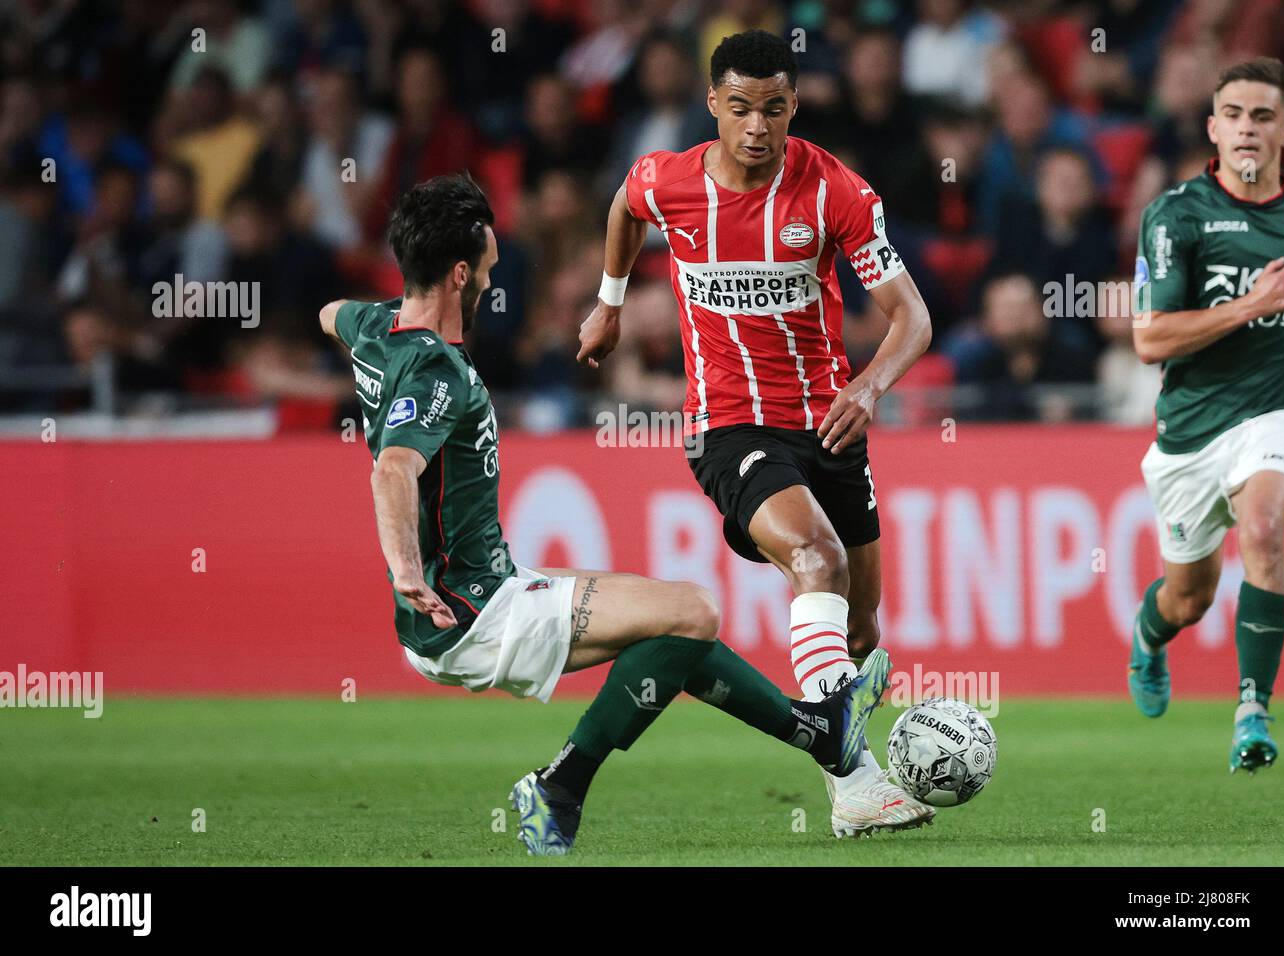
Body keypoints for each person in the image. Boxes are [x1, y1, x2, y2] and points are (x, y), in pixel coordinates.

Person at [320, 173, 892, 855]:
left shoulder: (375, 329)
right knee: (694, 609)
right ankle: (560, 785)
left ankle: (817, 730)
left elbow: (330, 313)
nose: (491, 287)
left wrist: (379, 340)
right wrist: (405, 570)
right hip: (467, 612)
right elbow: (393, 470)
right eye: (489, 272)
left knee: (672, 631)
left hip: (478, 592)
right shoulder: (436, 372)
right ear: (460, 273)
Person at [577, 30, 935, 836]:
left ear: (794, 106)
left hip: (830, 423)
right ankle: (861, 777)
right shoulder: (668, 180)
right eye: (739, 107)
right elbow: (625, 208)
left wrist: (870, 386)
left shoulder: (835, 191)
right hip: (729, 425)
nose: (756, 127)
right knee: (817, 557)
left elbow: (913, 317)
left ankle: (848, 793)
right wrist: (608, 301)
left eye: (774, 108)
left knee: (862, 630)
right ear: (713, 105)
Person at [1129, 57, 1284, 773]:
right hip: (1191, 434)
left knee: (1263, 529)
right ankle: (1147, 641)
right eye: (1234, 115)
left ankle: (1251, 710)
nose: (1248, 130)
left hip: (1278, 413)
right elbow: (1149, 338)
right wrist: (1252, 306)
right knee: (1187, 597)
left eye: (1263, 116)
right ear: (1213, 128)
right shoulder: (1177, 216)